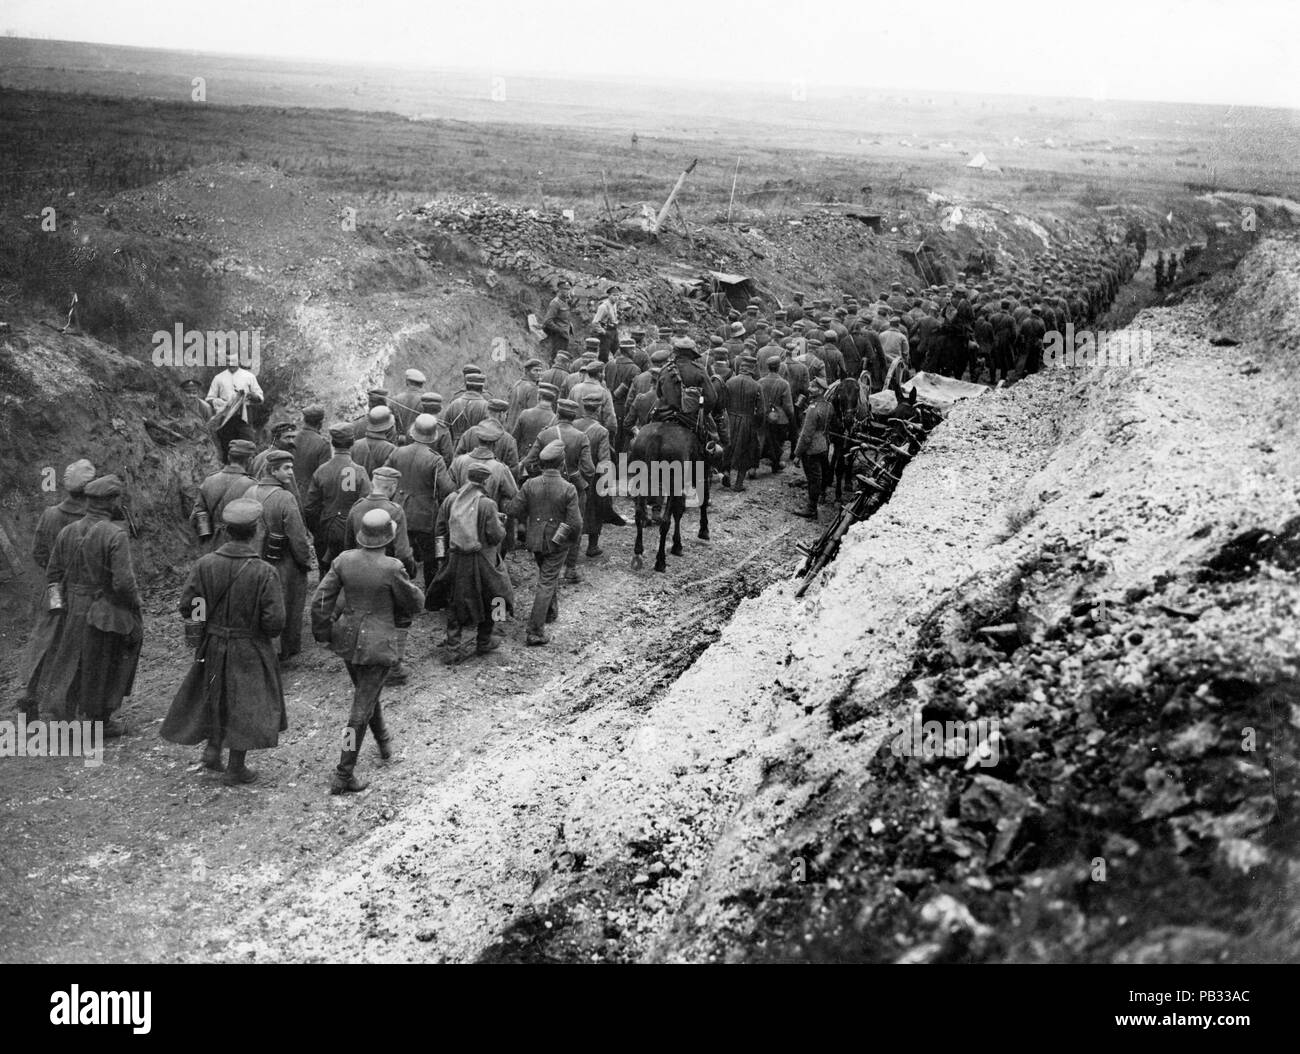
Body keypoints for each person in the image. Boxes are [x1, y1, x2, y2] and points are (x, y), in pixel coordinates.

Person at [161, 497, 287, 785]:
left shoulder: (205, 564)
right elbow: (274, 622)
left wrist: (211, 623)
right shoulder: (265, 571)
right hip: (250, 646)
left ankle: (212, 750)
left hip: (213, 642)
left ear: (226, 531)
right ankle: (236, 768)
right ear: (256, 531)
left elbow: (189, 605)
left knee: (214, 694)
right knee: (244, 703)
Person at [311, 509, 424, 794]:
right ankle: (344, 772)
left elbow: (320, 600)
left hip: (348, 642)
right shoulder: (392, 567)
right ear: (389, 537)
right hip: (377, 646)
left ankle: (384, 741)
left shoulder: (343, 560)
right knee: (359, 712)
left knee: (367, 694)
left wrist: (324, 633)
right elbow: (415, 604)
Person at [36, 475, 142, 733]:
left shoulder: (67, 531)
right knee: (106, 660)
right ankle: (101, 721)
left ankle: (66, 717)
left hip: (71, 608)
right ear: (112, 501)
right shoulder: (115, 534)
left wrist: (58, 609)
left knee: (71, 660)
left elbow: (53, 576)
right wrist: (134, 607)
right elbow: (123, 584)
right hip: (104, 609)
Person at [16, 459, 96, 720]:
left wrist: (55, 574)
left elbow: (38, 552)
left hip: (54, 588)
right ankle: (65, 707)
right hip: (80, 593)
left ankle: (30, 695)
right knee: (74, 647)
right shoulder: (90, 520)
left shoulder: (50, 514)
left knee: (45, 640)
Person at [426, 463, 515, 664]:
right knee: (497, 595)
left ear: (467, 478)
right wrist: (501, 523)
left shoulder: (450, 500)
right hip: (484, 561)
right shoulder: (487, 504)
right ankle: (485, 640)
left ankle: (452, 648)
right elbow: (495, 536)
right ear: (485, 481)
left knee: (454, 601)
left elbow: (439, 532)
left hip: (455, 560)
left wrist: (442, 559)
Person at [505, 440, 582, 646]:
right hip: (556, 543)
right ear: (562, 463)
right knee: (546, 581)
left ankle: (550, 611)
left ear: (542, 463)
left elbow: (513, 509)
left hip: (535, 541)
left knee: (547, 575)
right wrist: (564, 540)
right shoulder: (569, 488)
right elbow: (575, 522)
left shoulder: (530, 484)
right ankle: (535, 631)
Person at [520, 398, 594, 583]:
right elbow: (589, 469)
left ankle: (548, 564)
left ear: (558, 414)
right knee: (573, 525)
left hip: (546, 486)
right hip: (573, 489)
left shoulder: (545, 435)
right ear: (574, 416)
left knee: (546, 521)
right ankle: (570, 568)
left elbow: (528, 462)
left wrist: (538, 476)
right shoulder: (581, 437)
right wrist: (578, 477)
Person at [249, 449, 314, 662]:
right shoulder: (285, 497)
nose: (291, 472)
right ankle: (286, 649)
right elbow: (298, 536)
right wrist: (305, 561)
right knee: (288, 602)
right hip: (282, 561)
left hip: (254, 558)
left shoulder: (249, 492)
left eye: (292, 467)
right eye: (286, 468)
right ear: (273, 470)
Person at [385, 414, 455, 589]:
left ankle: (399, 587)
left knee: (399, 551)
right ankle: (431, 595)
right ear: (432, 436)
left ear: (413, 433)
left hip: (399, 510)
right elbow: (446, 488)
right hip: (425, 516)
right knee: (430, 555)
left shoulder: (397, 452)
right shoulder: (435, 458)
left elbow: (384, 475)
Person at [304, 424, 372, 575]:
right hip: (352, 531)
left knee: (327, 574)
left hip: (326, 529)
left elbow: (310, 508)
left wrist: (318, 530)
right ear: (352, 441)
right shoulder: (359, 471)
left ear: (332, 443)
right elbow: (367, 504)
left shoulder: (321, 471)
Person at [205, 353, 264, 460]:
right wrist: (221, 403)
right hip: (225, 420)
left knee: (248, 445)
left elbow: (260, 396)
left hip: (244, 418)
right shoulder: (219, 378)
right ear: (225, 362)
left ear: (239, 361)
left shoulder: (249, 376)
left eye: (234, 361)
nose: (231, 364)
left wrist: (250, 395)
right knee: (228, 449)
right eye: (228, 361)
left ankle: (249, 472)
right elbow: (209, 398)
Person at [721, 355, 763, 491]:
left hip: (730, 418)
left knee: (728, 446)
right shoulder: (757, 385)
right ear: (753, 369)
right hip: (747, 421)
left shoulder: (729, 382)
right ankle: (738, 483)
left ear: (741, 367)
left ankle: (726, 472)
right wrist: (757, 424)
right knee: (745, 450)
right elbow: (761, 411)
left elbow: (723, 402)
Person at [793, 378, 832, 521]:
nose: (810, 388)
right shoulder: (828, 406)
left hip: (811, 449)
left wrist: (797, 453)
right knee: (818, 476)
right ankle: (815, 502)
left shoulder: (812, 409)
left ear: (820, 391)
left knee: (813, 478)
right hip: (823, 446)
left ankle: (811, 508)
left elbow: (806, 434)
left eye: (813, 387)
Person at [758, 358, 794, 474]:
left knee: (764, 440)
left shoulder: (760, 381)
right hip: (780, 419)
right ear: (779, 367)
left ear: (768, 367)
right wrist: (791, 417)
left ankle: (757, 463)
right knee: (778, 441)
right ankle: (775, 464)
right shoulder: (784, 383)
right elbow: (788, 406)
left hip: (764, 416)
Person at [293, 406, 331, 493]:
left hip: (290, 492)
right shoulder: (323, 444)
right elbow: (323, 477)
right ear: (320, 423)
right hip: (310, 496)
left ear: (304, 420)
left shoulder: (291, 439)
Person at [505, 358, 543, 433]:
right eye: (535, 370)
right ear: (527, 372)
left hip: (509, 426)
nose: (538, 373)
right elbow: (532, 415)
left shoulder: (517, 384)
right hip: (520, 429)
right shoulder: (533, 389)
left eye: (540, 370)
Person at [541, 280, 575, 361]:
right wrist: (559, 330)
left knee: (563, 358)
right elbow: (547, 321)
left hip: (565, 335)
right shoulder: (555, 303)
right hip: (558, 335)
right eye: (565, 289)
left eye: (569, 289)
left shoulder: (566, 301)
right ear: (559, 290)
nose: (567, 291)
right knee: (556, 358)